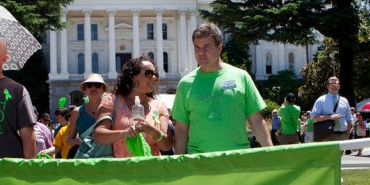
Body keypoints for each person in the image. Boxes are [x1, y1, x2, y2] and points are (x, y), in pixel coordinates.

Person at [171, 23, 272, 154]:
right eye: (197, 48)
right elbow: (181, 128)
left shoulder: (241, 77)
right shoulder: (185, 84)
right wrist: (180, 161)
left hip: (236, 159)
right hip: (199, 161)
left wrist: (271, 153)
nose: (201, 53)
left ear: (219, 48)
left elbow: (256, 120)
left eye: (207, 47)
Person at [93, 56, 171, 157]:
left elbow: (167, 145)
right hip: (121, 170)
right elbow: (98, 135)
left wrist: (154, 131)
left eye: (156, 75)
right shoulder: (112, 101)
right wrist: (124, 133)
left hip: (151, 169)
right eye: (149, 73)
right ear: (133, 76)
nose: (154, 78)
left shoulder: (159, 106)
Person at [68, 73, 109, 155]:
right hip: (85, 160)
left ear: (103, 89)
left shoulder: (111, 110)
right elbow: (69, 142)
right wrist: (79, 141)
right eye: (89, 85)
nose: (93, 88)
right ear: (85, 89)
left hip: (106, 159)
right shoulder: (77, 112)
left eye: (97, 85)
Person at [310, 77, 354, 144]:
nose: (334, 85)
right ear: (328, 86)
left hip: (341, 136)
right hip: (326, 136)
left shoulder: (344, 101)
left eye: (336, 83)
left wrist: (347, 136)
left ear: (339, 86)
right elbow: (313, 117)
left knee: (339, 155)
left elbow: (349, 119)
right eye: (332, 83)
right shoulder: (321, 100)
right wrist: (329, 117)